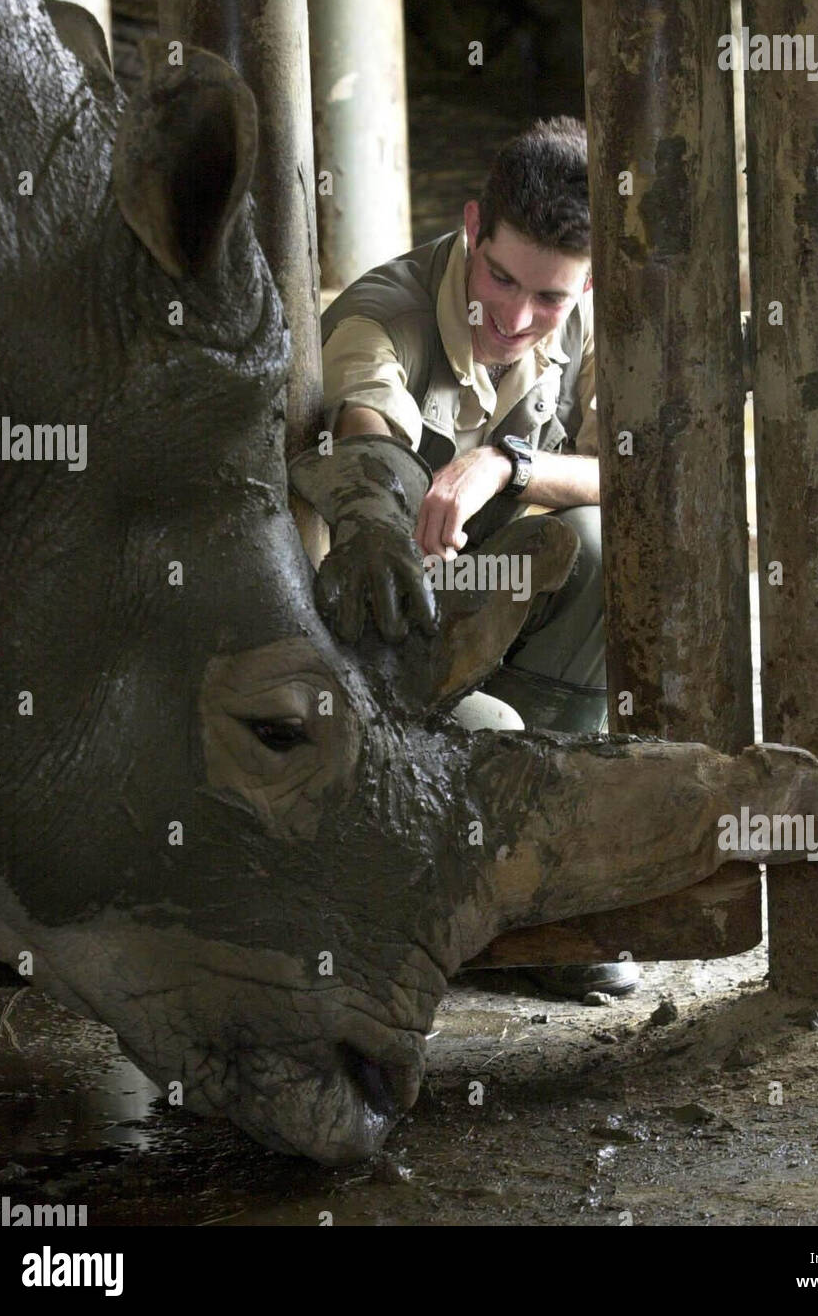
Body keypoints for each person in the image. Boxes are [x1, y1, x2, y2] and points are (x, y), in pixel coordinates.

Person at [314, 116, 639, 1002]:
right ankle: (506, 880)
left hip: (486, 597)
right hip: (369, 617)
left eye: (549, 301)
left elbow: (639, 465)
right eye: (499, 278)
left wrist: (513, 460)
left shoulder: (591, 317)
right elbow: (364, 426)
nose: (513, 317)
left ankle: (539, 866)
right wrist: (377, 523)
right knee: (485, 742)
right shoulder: (382, 313)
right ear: (470, 227)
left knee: (607, 545)